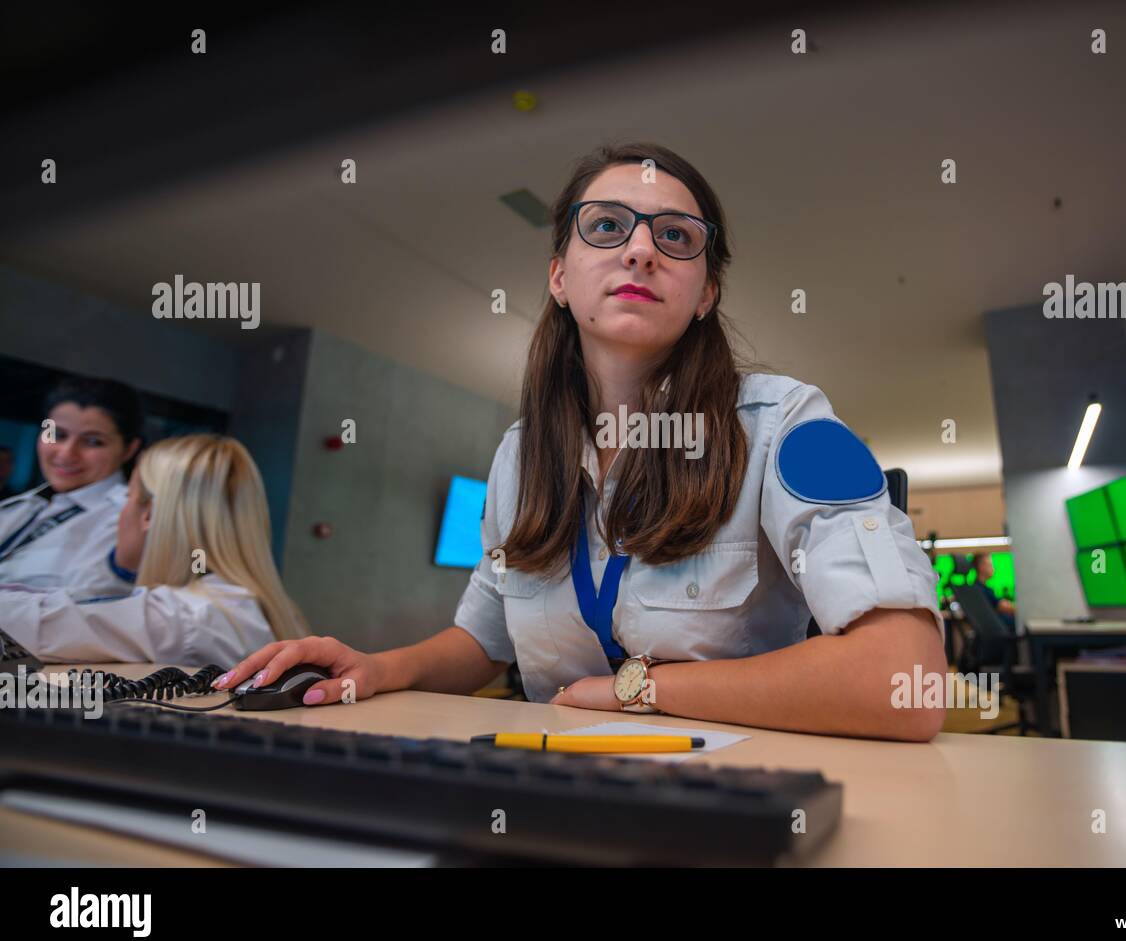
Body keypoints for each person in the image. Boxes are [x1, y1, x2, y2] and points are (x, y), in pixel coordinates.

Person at [215, 141, 946, 741]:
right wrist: (381, 668)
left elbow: (902, 681)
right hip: (552, 784)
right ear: (560, 275)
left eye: (676, 236)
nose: (639, 250)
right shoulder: (520, 454)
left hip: (740, 794)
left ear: (708, 294)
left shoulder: (788, 424)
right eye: (606, 226)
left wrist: (639, 688)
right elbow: (485, 637)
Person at [0, 434, 308, 666]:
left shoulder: (193, 617)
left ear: (149, 515)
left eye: (129, 498)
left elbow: (47, 624)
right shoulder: (239, 602)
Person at [0, 377, 143, 596]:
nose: (67, 454)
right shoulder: (19, 506)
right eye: (57, 435)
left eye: (93, 442)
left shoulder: (131, 521)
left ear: (129, 449)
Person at [971, 551, 1016, 632]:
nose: (993, 568)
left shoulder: (980, 588)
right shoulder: (980, 590)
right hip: (1000, 630)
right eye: (990, 565)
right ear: (981, 566)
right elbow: (1003, 607)